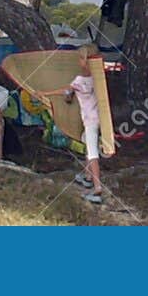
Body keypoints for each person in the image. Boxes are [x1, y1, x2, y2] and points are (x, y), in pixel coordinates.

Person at [44, 46, 106, 203]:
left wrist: (44, 94)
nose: (78, 62)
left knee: (92, 152)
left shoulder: (80, 80)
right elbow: (70, 94)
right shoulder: (97, 79)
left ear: (85, 62)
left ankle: (97, 188)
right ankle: (87, 175)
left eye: (80, 59)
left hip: (90, 120)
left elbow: (65, 91)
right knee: (87, 141)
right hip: (97, 118)